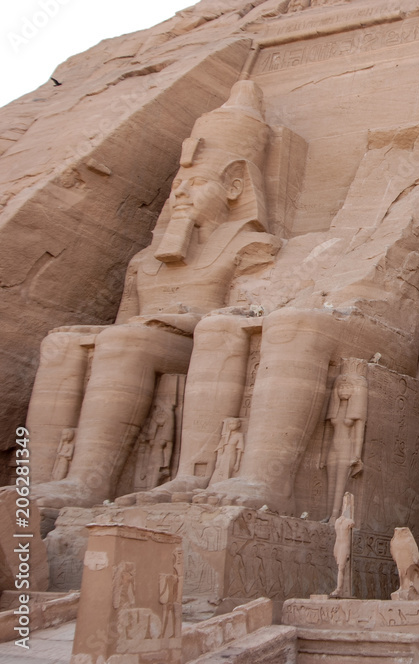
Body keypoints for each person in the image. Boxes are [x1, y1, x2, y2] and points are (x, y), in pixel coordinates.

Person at [27, 80, 281, 509]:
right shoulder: (145, 260)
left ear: (235, 188)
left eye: (196, 183)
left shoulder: (249, 246)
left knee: (127, 341)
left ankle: (89, 483)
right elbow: (124, 320)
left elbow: (246, 314)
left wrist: (177, 319)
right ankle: (43, 480)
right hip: (149, 340)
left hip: (203, 348)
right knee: (62, 343)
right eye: (177, 186)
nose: (180, 194)